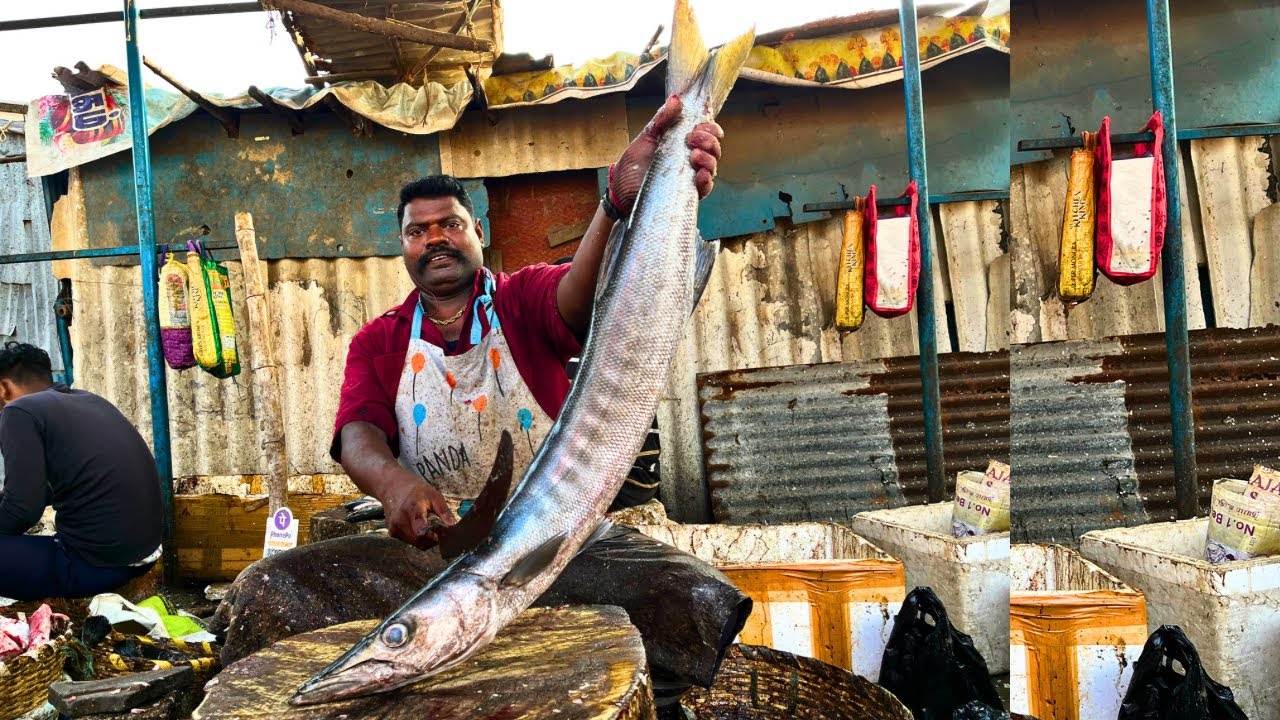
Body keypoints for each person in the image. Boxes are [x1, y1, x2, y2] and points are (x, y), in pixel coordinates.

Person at [214, 96, 751, 718]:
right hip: (433, 558)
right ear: (403, 247)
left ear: (478, 234)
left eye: (450, 225)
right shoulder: (379, 339)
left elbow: (580, 304)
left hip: (557, 542)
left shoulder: (524, 297)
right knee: (268, 587)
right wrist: (393, 486)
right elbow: (358, 432)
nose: (435, 239)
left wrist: (614, 203)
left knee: (695, 595)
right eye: (418, 230)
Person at [0, 342, 162, 601]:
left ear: (3, 387)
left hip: (93, 564)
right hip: (143, 555)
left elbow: (21, 510)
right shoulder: (90, 400)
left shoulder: (18, 412)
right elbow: (46, 489)